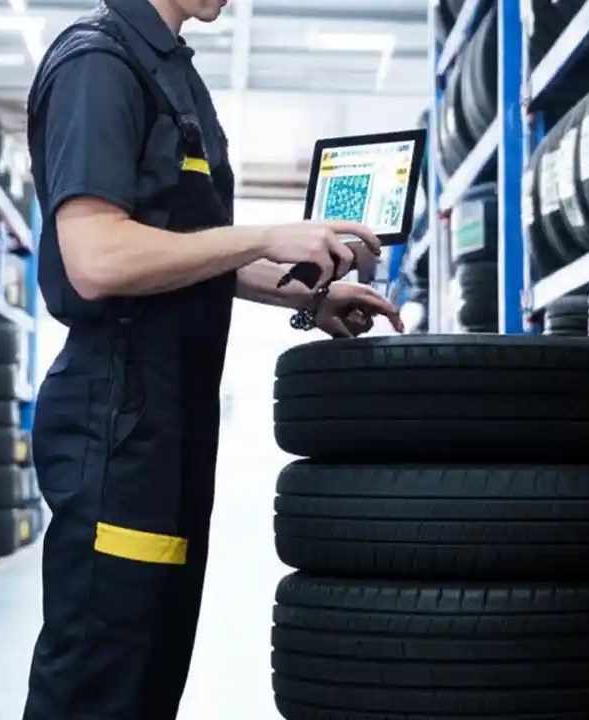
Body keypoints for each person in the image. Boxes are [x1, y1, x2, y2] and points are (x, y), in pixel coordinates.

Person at [21, 0, 404, 717]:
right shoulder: (100, 63)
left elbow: (180, 251)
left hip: (168, 420)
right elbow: (96, 258)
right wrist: (264, 236)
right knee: (101, 679)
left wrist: (307, 294)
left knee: (151, 665)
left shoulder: (170, 71)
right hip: (119, 420)